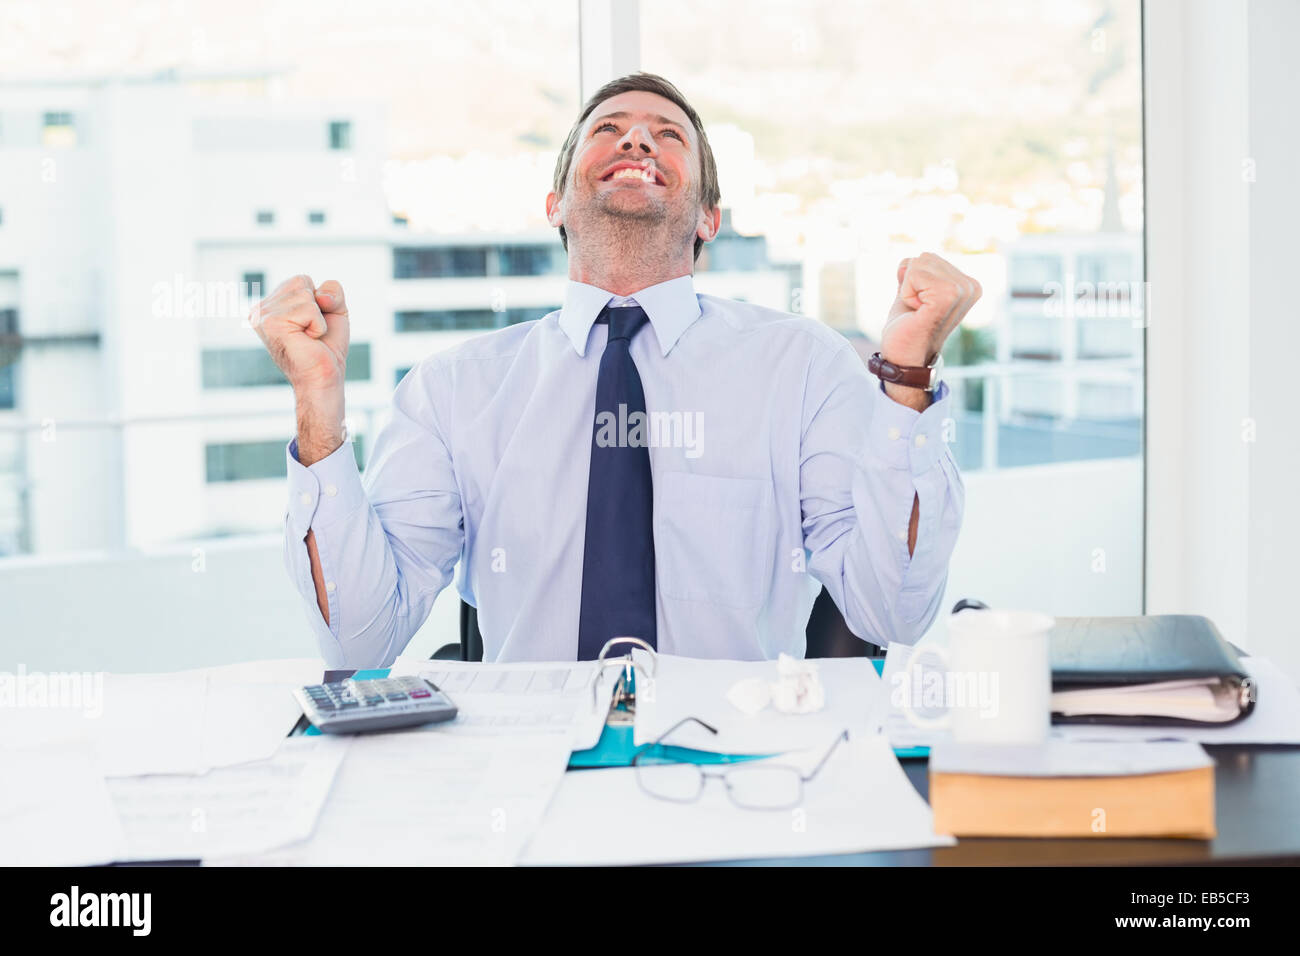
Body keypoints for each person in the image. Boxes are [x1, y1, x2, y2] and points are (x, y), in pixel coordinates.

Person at [254, 72, 979, 668]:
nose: (636, 137)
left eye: (669, 135)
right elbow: (360, 639)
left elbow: (894, 611)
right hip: (527, 775)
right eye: (608, 129)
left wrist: (909, 378)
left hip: (738, 768)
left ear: (708, 219)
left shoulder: (802, 364)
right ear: (555, 204)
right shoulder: (451, 390)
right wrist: (319, 410)